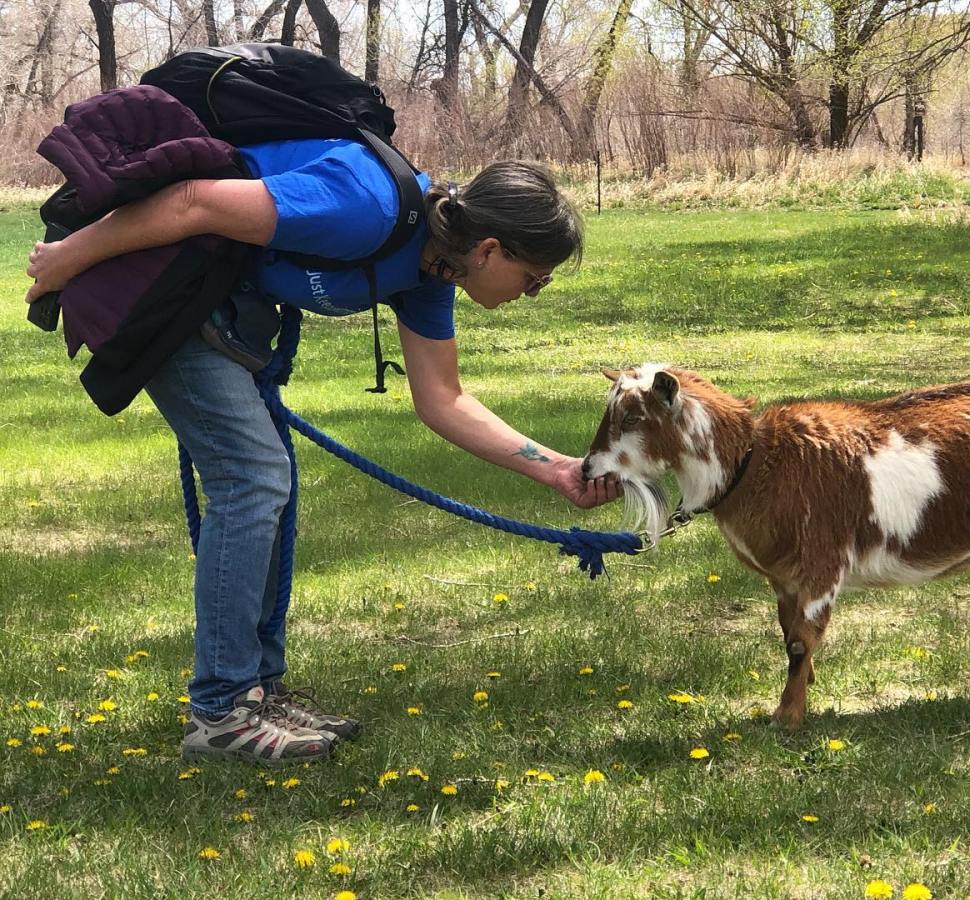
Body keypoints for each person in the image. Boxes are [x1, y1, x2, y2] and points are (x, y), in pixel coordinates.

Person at [25, 140, 621, 767]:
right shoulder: (365, 204)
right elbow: (192, 202)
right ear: (491, 250)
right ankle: (221, 711)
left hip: (214, 304)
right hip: (152, 285)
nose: (531, 294)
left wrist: (558, 469)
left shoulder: (432, 269)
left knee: (267, 483)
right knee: (253, 478)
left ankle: (259, 693)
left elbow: (443, 399)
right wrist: (66, 257)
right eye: (535, 279)